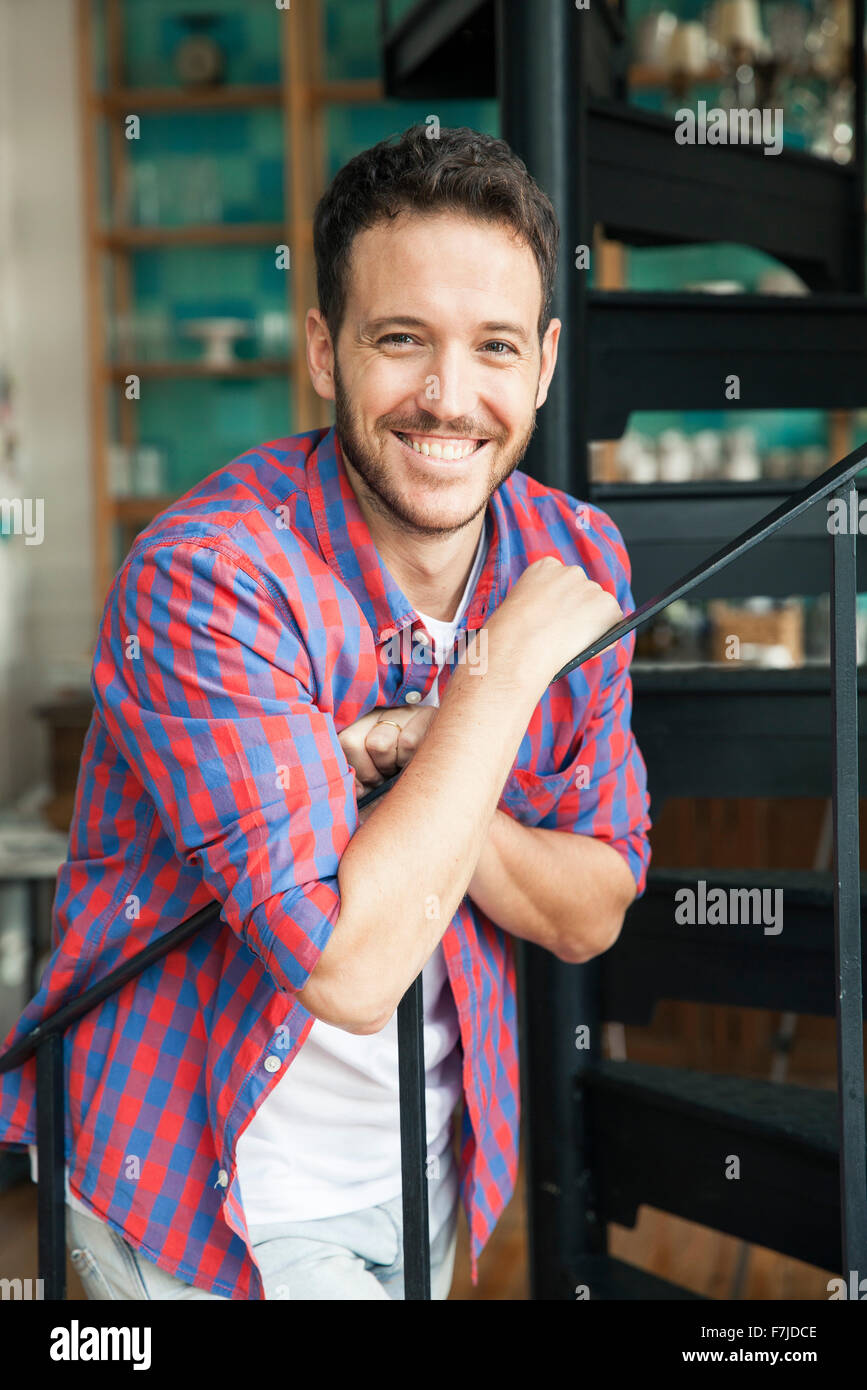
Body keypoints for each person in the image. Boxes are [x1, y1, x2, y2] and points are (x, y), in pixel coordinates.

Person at [0, 124, 651, 1300]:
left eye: (494, 345)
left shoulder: (572, 554)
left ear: (545, 364)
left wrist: (421, 770)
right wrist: (497, 681)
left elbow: (593, 905)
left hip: (434, 1173)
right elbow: (350, 967)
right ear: (323, 349)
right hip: (201, 1180)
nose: (449, 398)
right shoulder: (209, 573)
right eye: (401, 340)